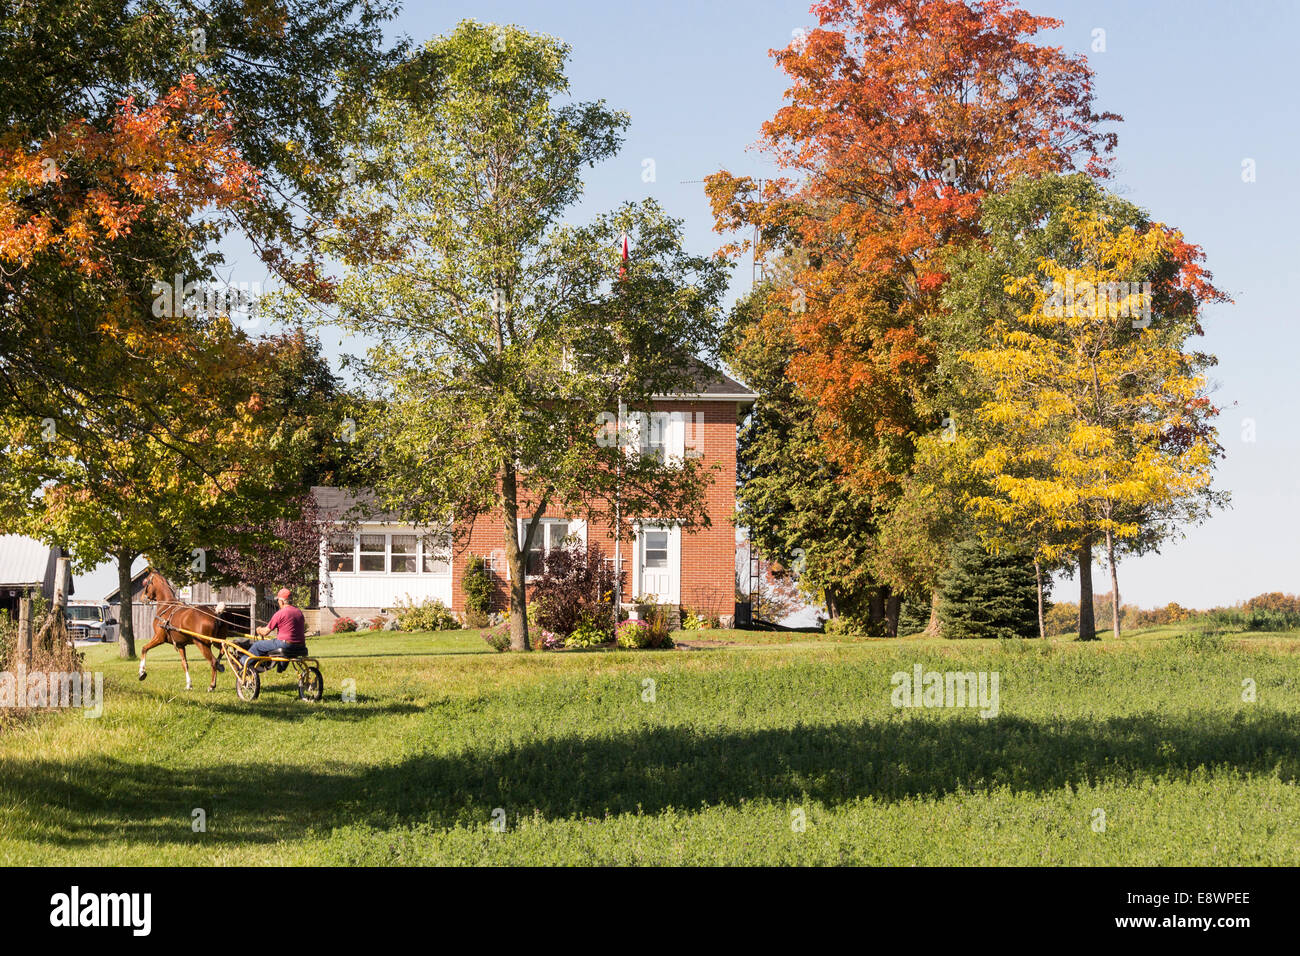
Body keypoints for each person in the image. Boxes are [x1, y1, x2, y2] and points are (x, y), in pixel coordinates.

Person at [241, 588, 307, 671]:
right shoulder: (299, 612)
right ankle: (281, 668)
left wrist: (259, 630)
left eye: (278, 601)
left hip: (286, 644)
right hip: (301, 645)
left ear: (282, 601)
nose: (278, 603)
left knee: (257, 645)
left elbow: (265, 632)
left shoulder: (280, 613)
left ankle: (243, 662)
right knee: (275, 641)